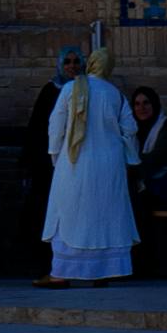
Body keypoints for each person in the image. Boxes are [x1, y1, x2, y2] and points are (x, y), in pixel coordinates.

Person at [41, 46, 138, 284]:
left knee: (71, 213)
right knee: (104, 216)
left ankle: (61, 273)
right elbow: (130, 130)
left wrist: (55, 154)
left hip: (75, 162)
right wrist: (129, 157)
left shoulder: (70, 88)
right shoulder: (115, 94)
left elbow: (56, 124)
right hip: (109, 165)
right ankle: (103, 271)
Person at [21, 50, 81, 272]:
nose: (72, 66)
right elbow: (39, 127)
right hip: (48, 164)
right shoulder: (51, 91)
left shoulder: (86, 90)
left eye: (76, 61)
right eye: (67, 62)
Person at [124, 85, 167, 254]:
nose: (141, 108)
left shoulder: (165, 130)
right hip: (141, 184)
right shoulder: (133, 131)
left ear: (154, 104)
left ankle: (143, 255)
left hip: (164, 185)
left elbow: (155, 160)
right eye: (137, 104)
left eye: (146, 103)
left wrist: (130, 169)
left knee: (138, 201)